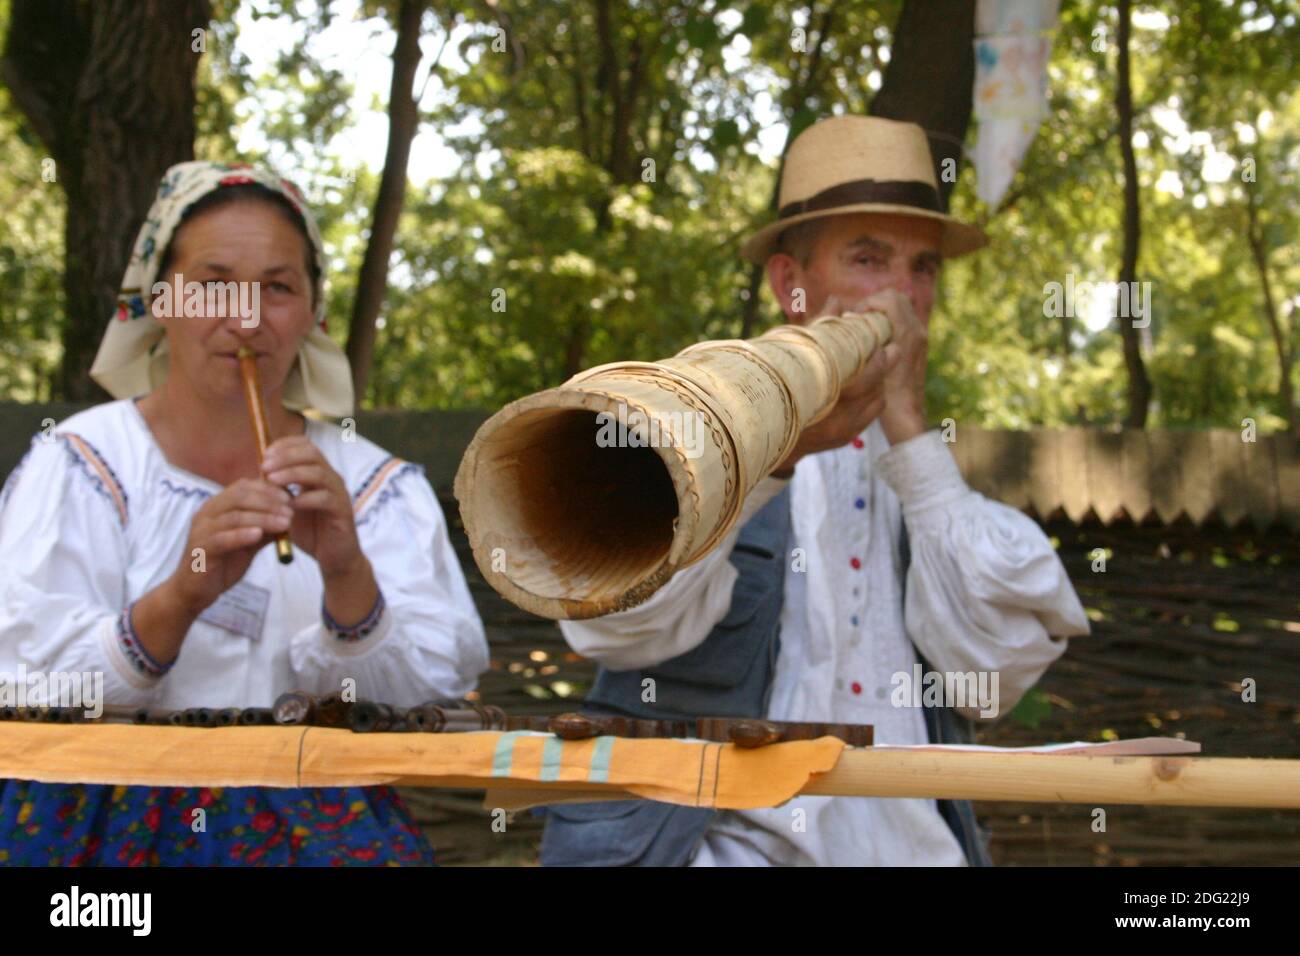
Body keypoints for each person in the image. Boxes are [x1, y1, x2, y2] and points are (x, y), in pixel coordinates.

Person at [540, 116, 1090, 867]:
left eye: (922, 267)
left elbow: (996, 674)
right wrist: (775, 455)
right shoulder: (682, 428)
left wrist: (910, 431)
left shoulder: (934, 480)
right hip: (714, 850)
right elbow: (613, 625)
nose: (901, 293)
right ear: (791, 285)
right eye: (869, 258)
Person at [0, 161, 488, 866]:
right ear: (158, 300)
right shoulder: (80, 463)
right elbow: (20, 685)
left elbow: (431, 705)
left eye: (278, 288)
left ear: (314, 311)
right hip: (94, 822)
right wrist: (180, 596)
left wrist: (347, 573)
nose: (246, 318)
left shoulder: (373, 485)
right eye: (214, 284)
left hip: (315, 819)